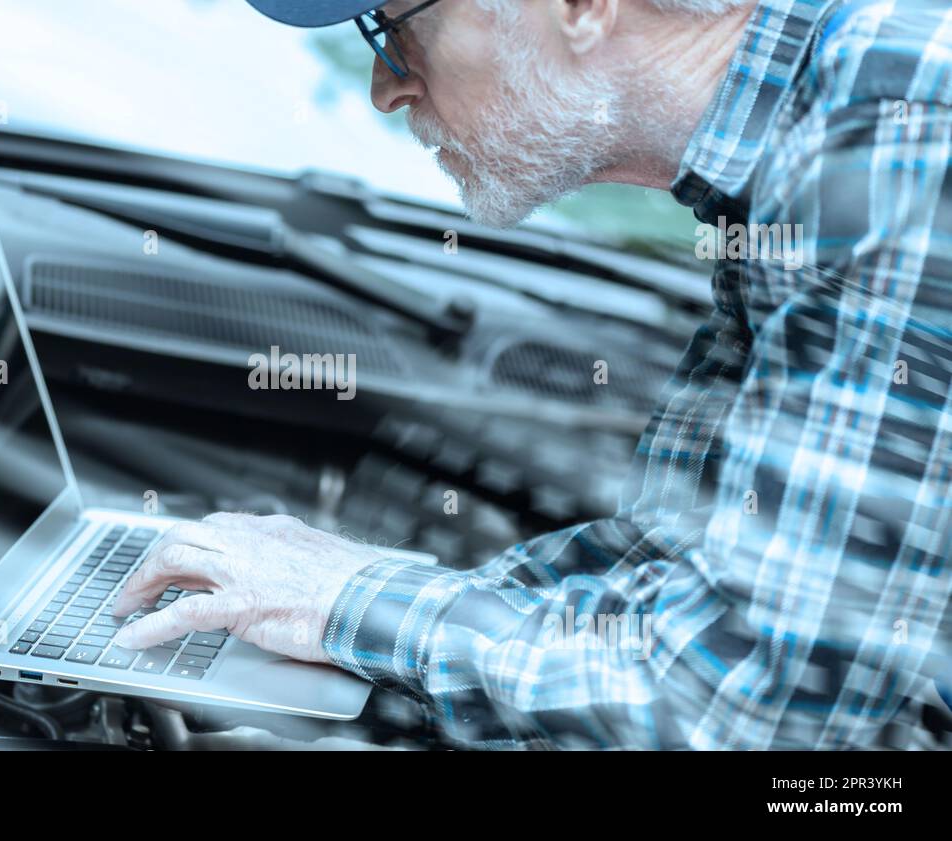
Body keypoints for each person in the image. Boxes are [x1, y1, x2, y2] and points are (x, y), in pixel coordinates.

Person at [111, 0, 952, 749]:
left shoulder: (896, 140)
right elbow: (669, 560)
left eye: (396, 29)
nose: (386, 89)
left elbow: (749, 714)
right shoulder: (802, 143)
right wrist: (324, 605)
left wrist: (346, 600)